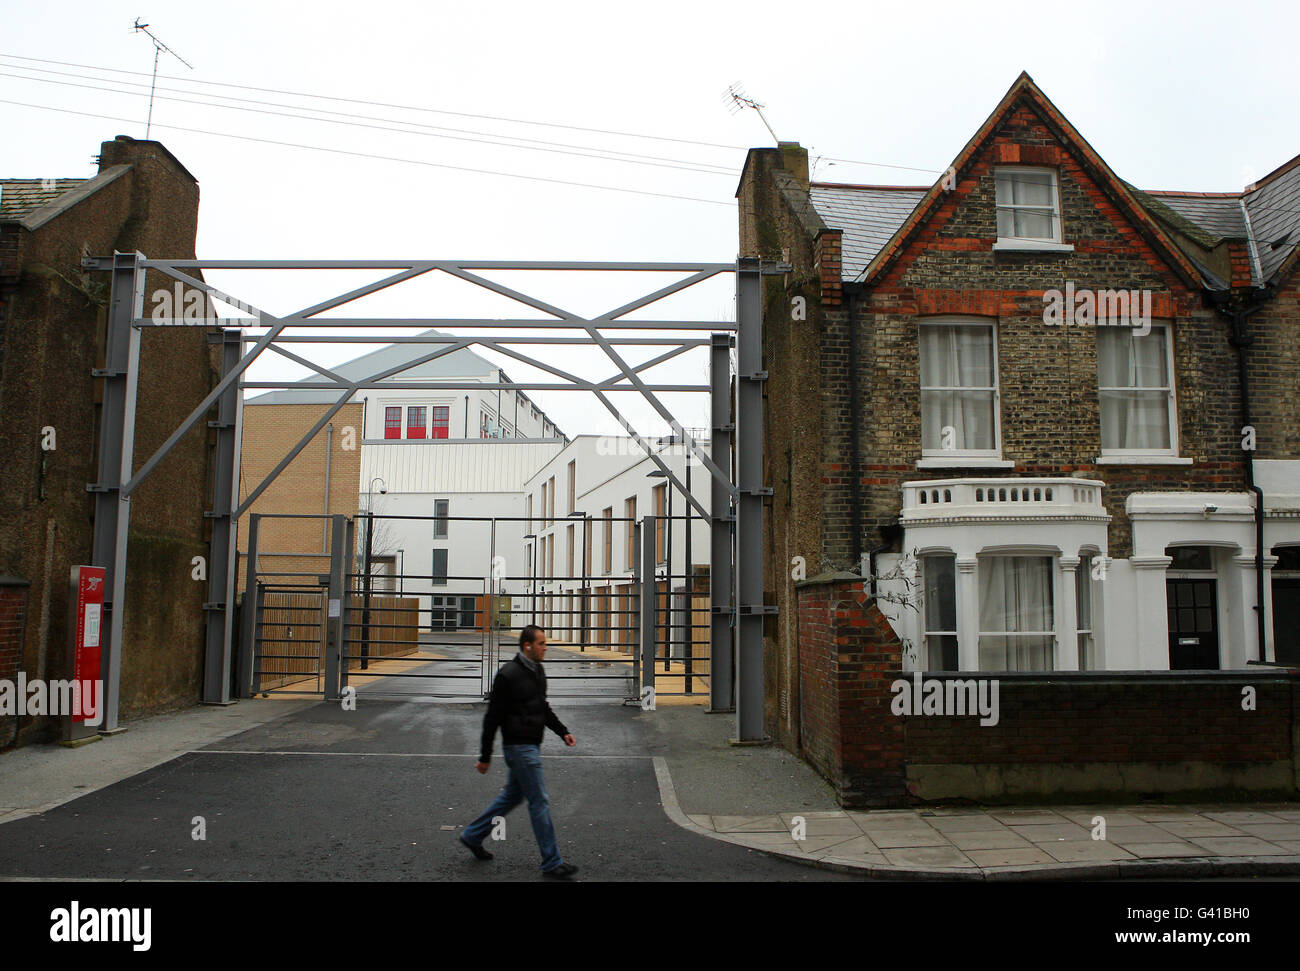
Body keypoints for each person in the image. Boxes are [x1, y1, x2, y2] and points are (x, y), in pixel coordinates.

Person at [460, 624, 579, 878]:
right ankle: (551, 862)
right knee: (540, 802)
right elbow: (492, 719)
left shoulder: (538, 670)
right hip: (520, 748)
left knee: (512, 797)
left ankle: (472, 835)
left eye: (545, 643)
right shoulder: (508, 675)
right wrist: (484, 757)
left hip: (530, 746)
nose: (545, 648)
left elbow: (542, 707)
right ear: (527, 646)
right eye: (541, 644)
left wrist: (563, 731)